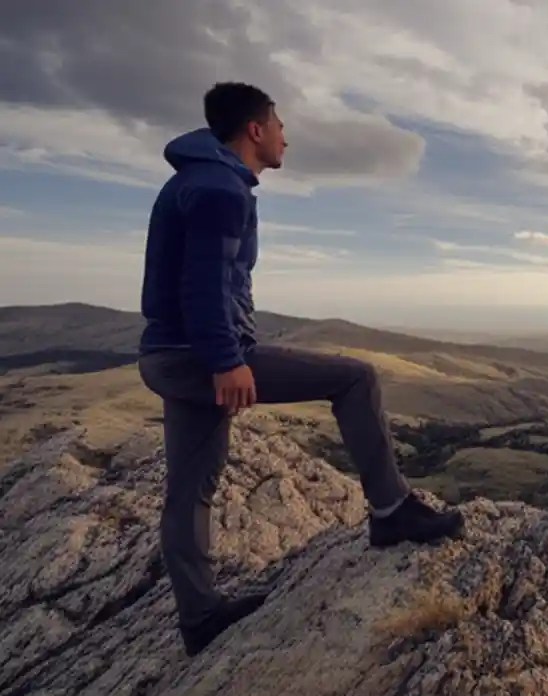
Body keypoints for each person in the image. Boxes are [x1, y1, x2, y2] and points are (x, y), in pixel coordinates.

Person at [136, 82, 465, 657]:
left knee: (190, 489)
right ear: (256, 130)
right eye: (280, 122)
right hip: (198, 356)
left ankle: (200, 617)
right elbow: (205, 285)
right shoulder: (218, 188)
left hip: (170, 356)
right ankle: (391, 510)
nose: (288, 134)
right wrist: (227, 361)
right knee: (355, 377)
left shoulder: (199, 179)